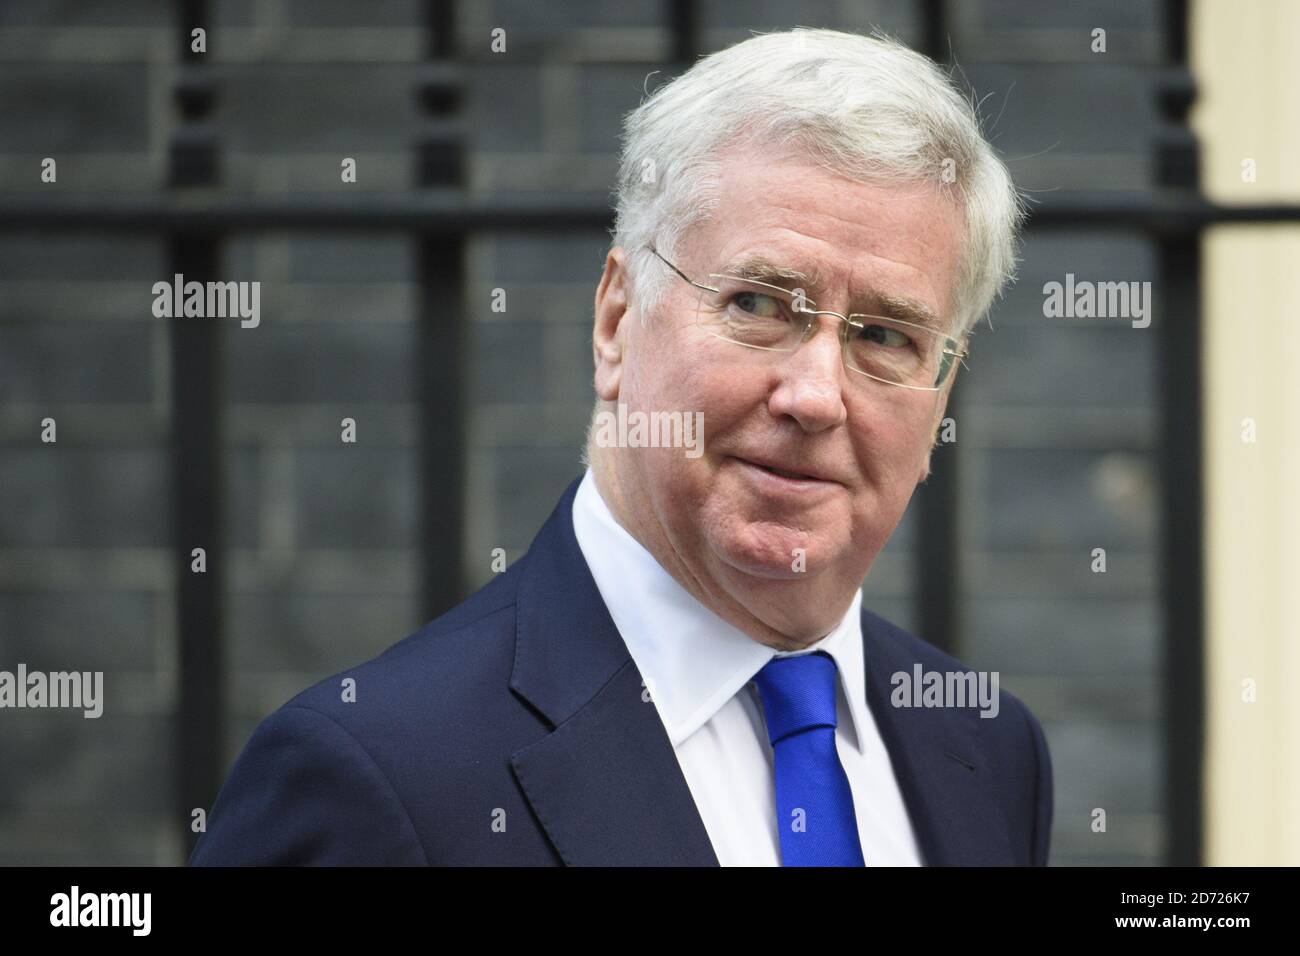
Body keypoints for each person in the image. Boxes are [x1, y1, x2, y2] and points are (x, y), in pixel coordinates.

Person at [190, 26, 1051, 867]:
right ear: (615, 319)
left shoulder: (989, 749)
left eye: (887, 336)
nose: (816, 395)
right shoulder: (374, 778)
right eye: (758, 303)